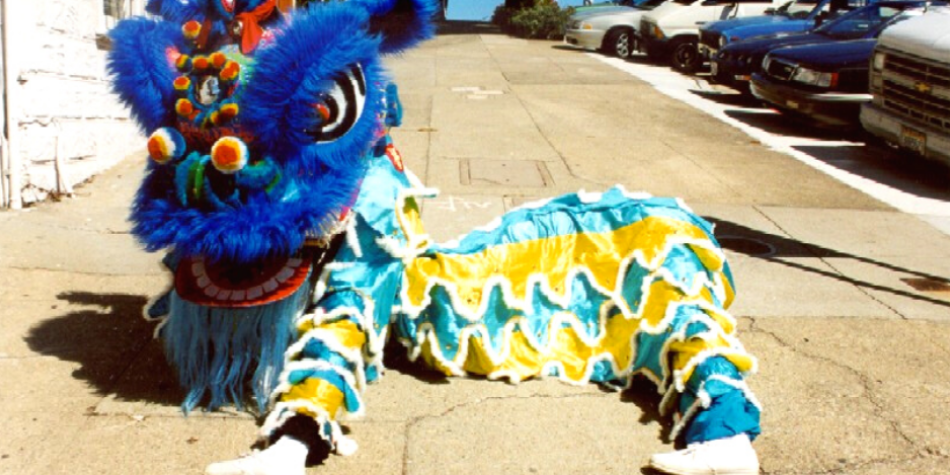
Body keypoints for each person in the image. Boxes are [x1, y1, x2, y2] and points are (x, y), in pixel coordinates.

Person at [108, 1, 762, 475]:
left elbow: (346, 320)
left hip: (619, 240)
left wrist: (292, 441)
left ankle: (724, 429)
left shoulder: (367, 212)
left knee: (656, 281)